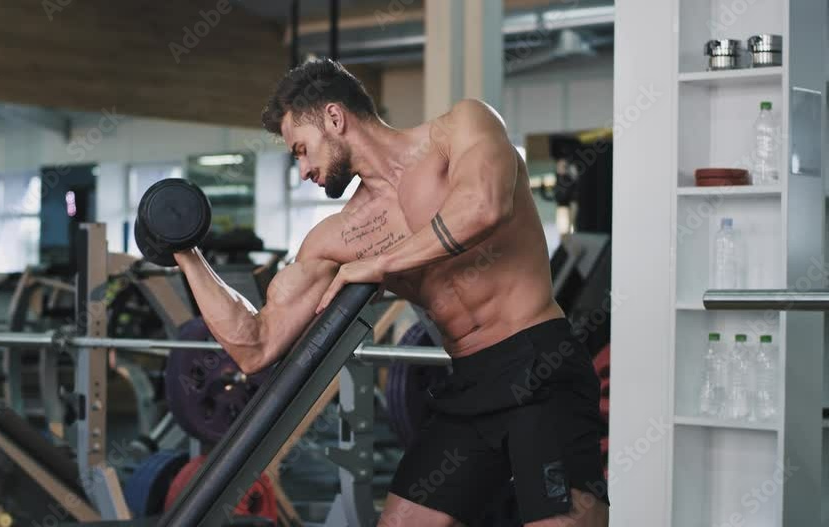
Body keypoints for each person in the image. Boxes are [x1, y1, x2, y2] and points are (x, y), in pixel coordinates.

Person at [173, 58, 609, 527]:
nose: (302, 170)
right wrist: (184, 250)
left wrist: (376, 264)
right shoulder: (338, 237)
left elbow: (483, 207)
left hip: (538, 363)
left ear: (335, 118)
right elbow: (255, 346)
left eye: (301, 149)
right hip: (469, 381)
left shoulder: (459, 129)